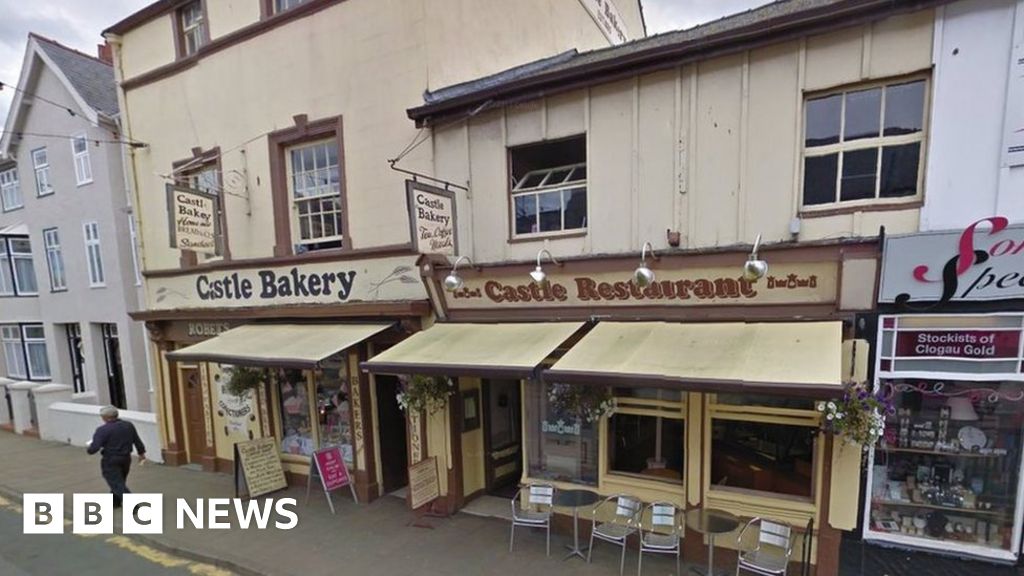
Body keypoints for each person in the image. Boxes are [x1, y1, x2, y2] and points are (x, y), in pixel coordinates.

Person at [87, 405, 146, 507]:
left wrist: (89, 449)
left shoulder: (102, 430)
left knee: (116, 483)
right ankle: (115, 502)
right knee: (119, 481)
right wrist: (141, 453)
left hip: (110, 459)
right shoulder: (128, 425)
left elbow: (94, 448)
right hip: (126, 458)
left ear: (106, 417)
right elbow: (136, 440)